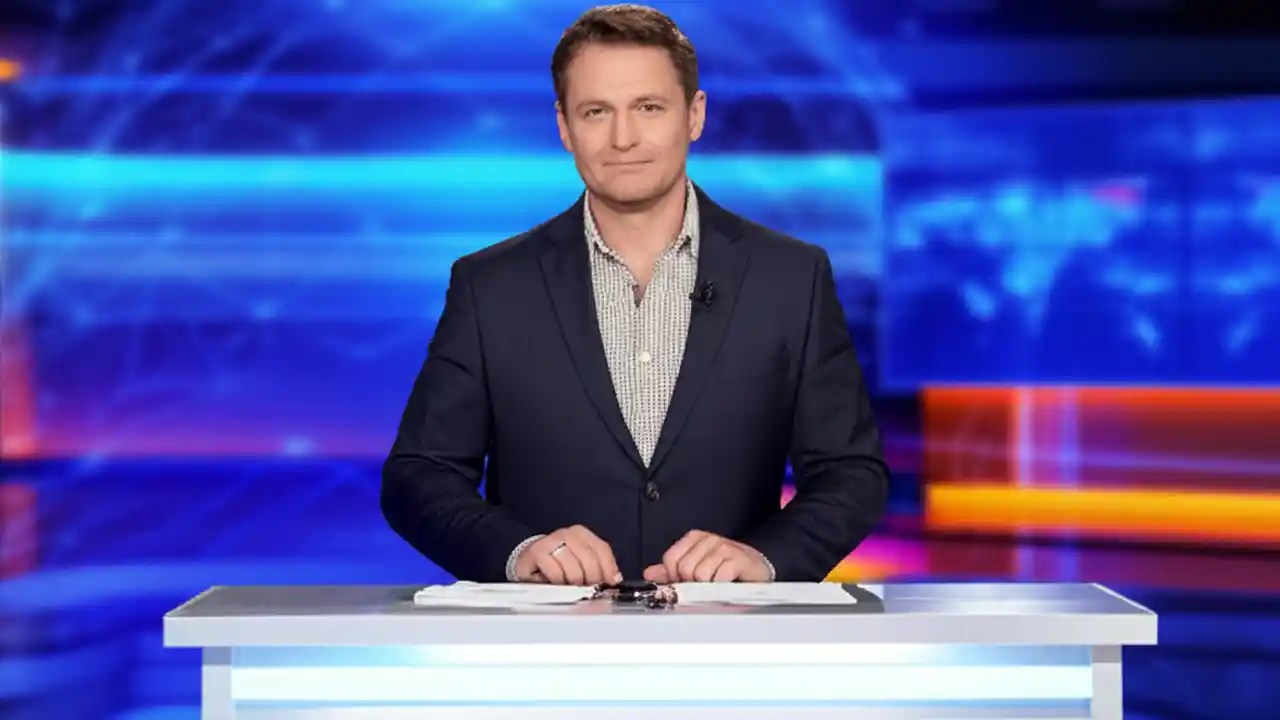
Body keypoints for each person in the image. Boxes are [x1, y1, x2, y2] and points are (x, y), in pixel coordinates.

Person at [382, 3, 888, 585]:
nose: (624, 138)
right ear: (564, 127)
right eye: (597, 112)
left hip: (731, 640)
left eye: (648, 107)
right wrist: (518, 551)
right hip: (543, 650)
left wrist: (767, 558)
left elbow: (851, 473)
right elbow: (418, 477)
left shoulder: (791, 277)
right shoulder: (491, 286)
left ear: (694, 115)